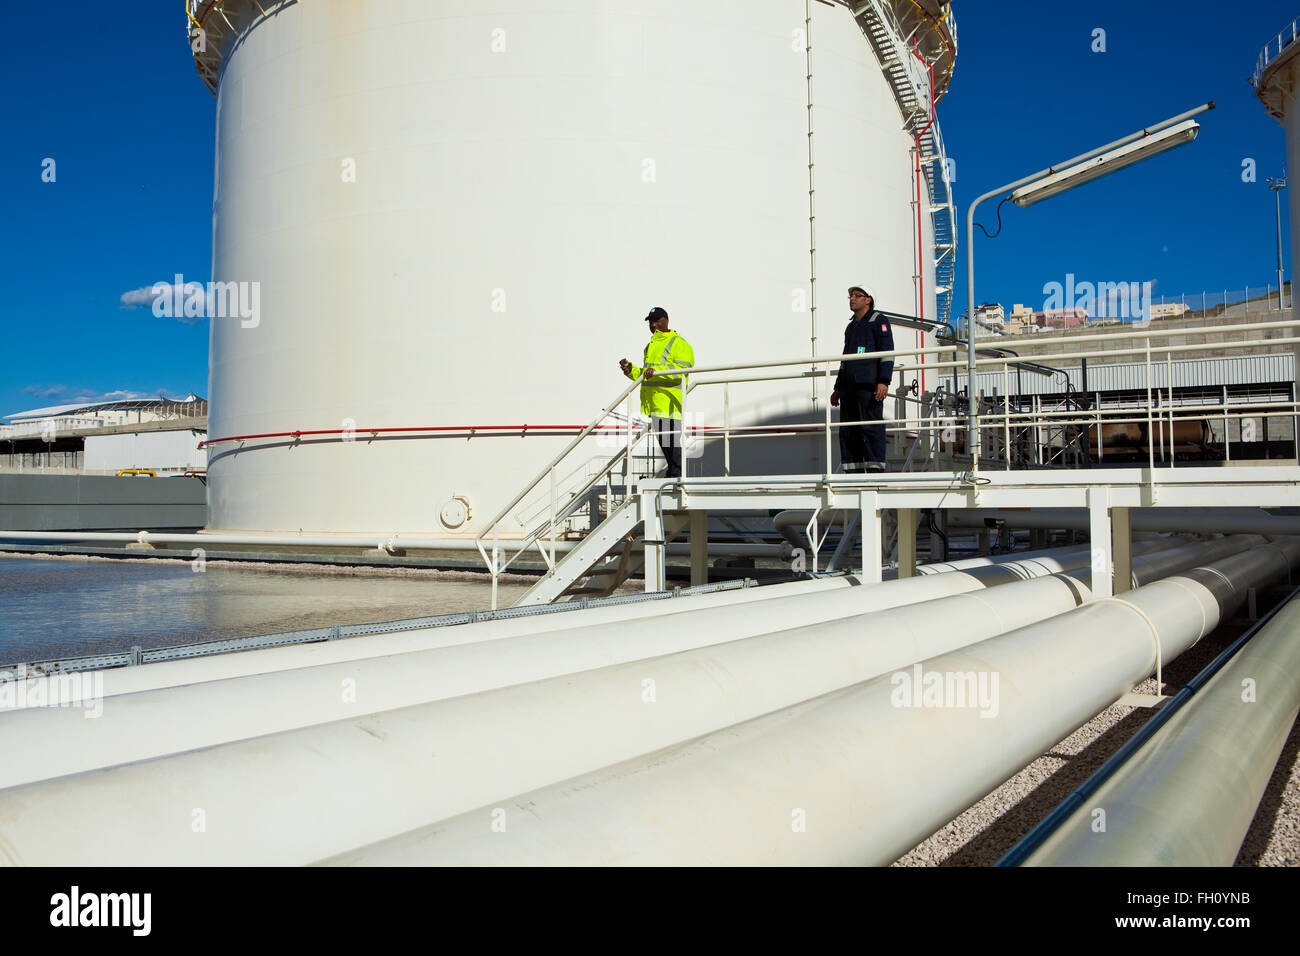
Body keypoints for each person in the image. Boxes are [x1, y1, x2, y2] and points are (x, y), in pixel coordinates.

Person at [619, 307, 694, 478]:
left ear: (666, 320)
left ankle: (677, 476)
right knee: (666, 445)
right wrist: (631, 370)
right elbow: (646, 375)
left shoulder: (678, 343)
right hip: (655, 404)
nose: (653, 325)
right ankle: (673, 473)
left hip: (669, 403)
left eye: (657, 321)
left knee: (672, 446)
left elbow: (681, 370)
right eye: (651, 322)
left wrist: (656, 370)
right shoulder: (650, 346)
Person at [830, 285, 894, 473]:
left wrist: (884, 381)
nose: (852, 299)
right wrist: (838, 388)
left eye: (858, 295)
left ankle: (875, 470)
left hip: (869, 385)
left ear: (868, 300)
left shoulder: (878, 321)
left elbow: (887, 352)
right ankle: (852, 471)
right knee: (849, 429)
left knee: (870, 426)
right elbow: (845, 359)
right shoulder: (851, 327)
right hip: (849, 386)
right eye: (850, 296)